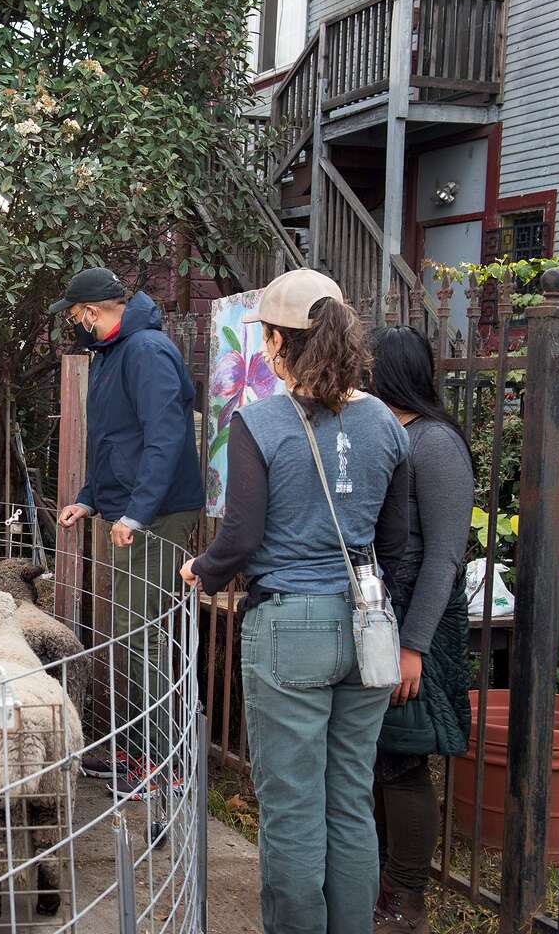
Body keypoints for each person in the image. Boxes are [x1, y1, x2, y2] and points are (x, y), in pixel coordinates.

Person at [180, 269, 410, 934]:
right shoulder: (388, 427)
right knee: (348, 802)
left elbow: (242, 536)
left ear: (279, 340)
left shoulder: (259, 423)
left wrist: (204, 567)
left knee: (292, 809)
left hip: (289, 626)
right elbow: (393, 542)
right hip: (369, 625)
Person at [51, 266, 204, 804]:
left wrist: (136, 513)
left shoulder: (148, 352)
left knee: (142, 636)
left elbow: (166, 439)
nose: (76, 326)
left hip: (160, 515)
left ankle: (168, 765)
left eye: (76, 317)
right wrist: (90, 497)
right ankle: (137, 750)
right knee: (128, 632)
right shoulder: (112, 355)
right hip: (132, 512)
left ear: (93, 311)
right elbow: (114, 441)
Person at [367, 326, 474, 934]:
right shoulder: (391, 433)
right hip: (381, 617)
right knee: (379, 755)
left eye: (366, 367)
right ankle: (380, 880)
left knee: (404, 759)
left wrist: (413, 647)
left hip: (417, 622)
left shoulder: (434, 443)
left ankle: (405, 901)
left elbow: (443, 557)